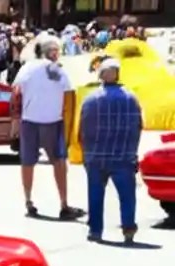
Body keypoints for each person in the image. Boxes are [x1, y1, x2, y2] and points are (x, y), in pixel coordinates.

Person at [12, 37, 84, 220]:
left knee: (27, 162)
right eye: (54, 50)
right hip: (53, 121)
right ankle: (63, 204)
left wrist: (15, 120)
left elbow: (15, 93)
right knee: (59, 162)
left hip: (29, 121)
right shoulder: (57, 69)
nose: (56, 54)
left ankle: (28, 201)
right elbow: (70, 95)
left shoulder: (27, 67)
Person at [77, 58, 144, 244]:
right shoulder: (131, 98)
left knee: (95, 194)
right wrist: (133, 153)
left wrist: (86, 154)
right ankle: (128, 228)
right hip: (123, 156)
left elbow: (83, 130)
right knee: (127, 195)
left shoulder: (90, 100)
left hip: (96, 157)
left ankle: (95, 231)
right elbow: (138, 127)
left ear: (100, 76)